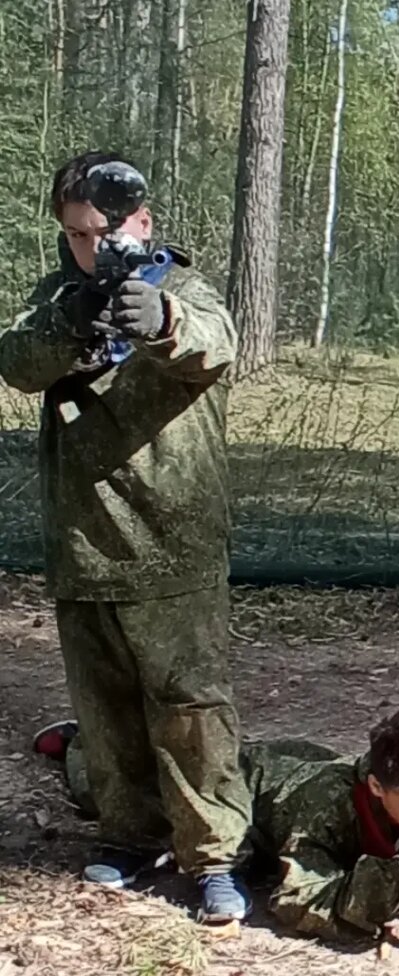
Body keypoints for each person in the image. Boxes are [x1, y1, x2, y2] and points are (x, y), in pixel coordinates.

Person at [0, 150, 252, 923]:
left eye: (102, 233)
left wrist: (162, 321)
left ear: (141, 222)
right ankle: (129, 834)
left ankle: (213, 855)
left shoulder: (183, 288)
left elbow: (218, 342)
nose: (88, 248)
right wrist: (74, 321)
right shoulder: (57, 299)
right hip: (84, 543)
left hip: (173, 545)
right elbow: (17, 361)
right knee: (105, 709)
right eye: (75, 235)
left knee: (191, 710)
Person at [35, 708, 399, 938]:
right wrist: (398, 879)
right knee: (133, 792)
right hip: (249, 788)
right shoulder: (323, 808)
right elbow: (300, 902)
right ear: (375, 788)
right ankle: (80, 741)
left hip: (304, 764)